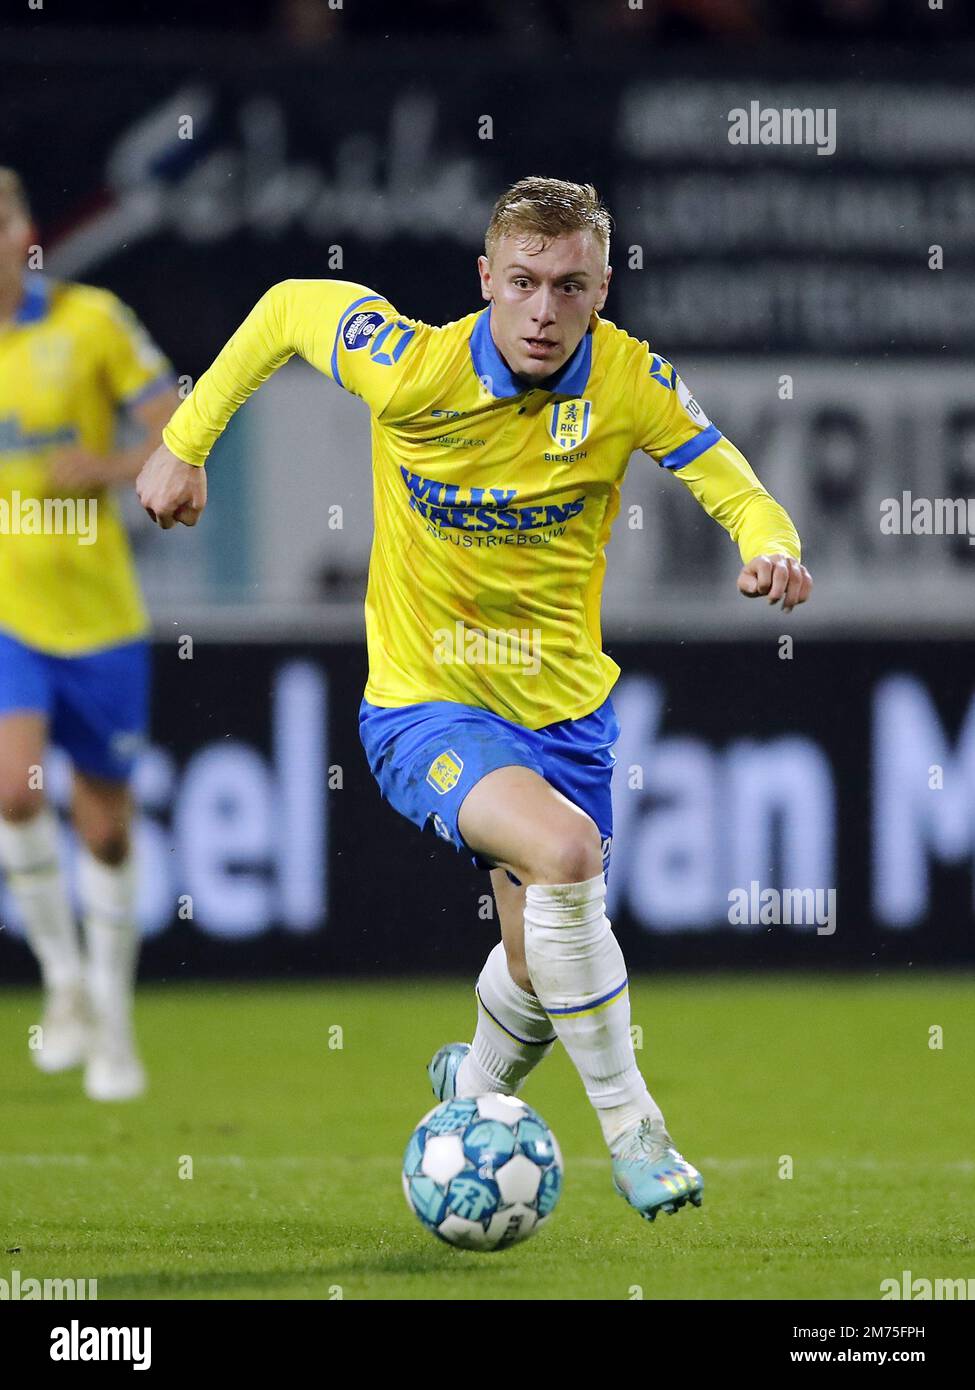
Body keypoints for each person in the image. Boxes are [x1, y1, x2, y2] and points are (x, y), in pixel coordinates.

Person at [135, 176, 812, 1220]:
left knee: (539, 968)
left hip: (566, 716)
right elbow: (284, 307)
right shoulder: (411, 365)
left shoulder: (629, 379)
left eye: (571, 287)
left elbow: (730, 478)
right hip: (425, 704)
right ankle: (635, 1128)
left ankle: (475, 1086)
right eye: (526, 283)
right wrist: (186, 442)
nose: (545, 311)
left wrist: (772, 545)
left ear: (602, 290)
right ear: (486, 280)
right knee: (568, 853)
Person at [0, 167, 179, 1101]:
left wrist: (107, 466)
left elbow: (177, 424)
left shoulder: (90, 319)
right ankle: (62, 984)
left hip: (99, 613)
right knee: (14, 789)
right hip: (6, 614)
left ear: (22, 230)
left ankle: (109, 1010)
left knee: (106, 831)